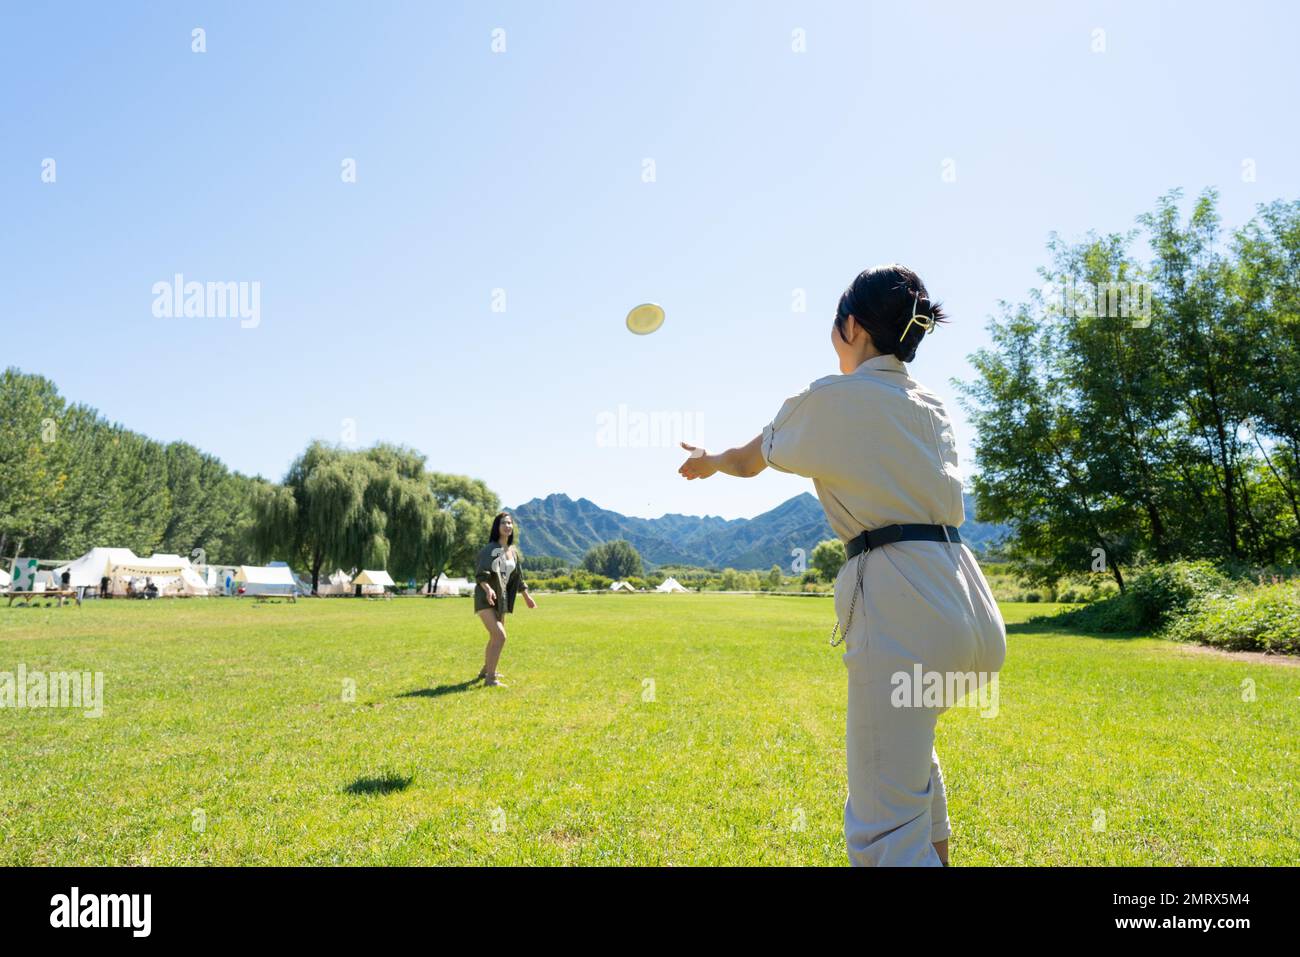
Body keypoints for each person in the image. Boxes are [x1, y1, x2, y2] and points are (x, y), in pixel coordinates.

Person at [678, 264, 1006, 867]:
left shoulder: (834, 398)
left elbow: (751, 460)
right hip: (970, 612)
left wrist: (708, 461)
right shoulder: (931, 405)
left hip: (904, 609)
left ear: (851, 327)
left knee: (884, 835)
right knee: (909, 774)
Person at [473, 511, 537, 687]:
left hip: (501, 600)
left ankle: (487, 669)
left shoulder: (512, 552)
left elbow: (518, 577)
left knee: (495, 637)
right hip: (486, 598)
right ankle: (490, 679)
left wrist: (527, 597)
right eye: (504, 523)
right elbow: (481, 575)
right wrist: (487, 590)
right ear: (497, 527)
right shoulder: (490, 549)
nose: (508, 526)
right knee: (500, 636)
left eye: (510, 523)